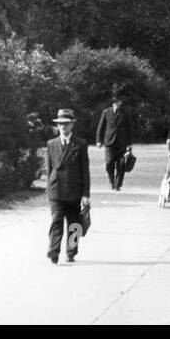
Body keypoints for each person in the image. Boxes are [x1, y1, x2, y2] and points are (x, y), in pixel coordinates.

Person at [44, 109, 90, 264]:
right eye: (60, 124)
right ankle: (53, 252)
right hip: (56, 190)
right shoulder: (51, 144)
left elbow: (85, 170)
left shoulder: (81, 144)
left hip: (74, 191)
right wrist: (48, 191)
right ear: (57, 126)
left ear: (72, 125)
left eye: (66, 124)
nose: (63, 127)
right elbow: (49, 169)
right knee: (56, 221)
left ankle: (71, 252)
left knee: (74, 223)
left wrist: (85, 194)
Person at [94, 91, 135, 191]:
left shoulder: (125, 113)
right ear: (113, 103)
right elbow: (101, 127)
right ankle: (111, 182)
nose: (118, 103)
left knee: (121, 164)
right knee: (109, 163)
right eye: (116, 101)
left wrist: (130, 143)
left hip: (122, 143)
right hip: (109, 142)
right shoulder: (106, 112)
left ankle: (117, 185)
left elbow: (130, 129)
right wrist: (98, 140)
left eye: (119, 101)